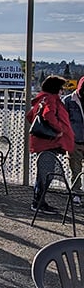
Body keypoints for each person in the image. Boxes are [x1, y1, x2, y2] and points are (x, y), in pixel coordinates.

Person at [27, 74, 75, 213]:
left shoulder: (41, 99)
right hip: (49, 142)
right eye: (61, 89)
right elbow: (48, 115)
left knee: (43, 174)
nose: (63, 92)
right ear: (56, 89)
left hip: (43, 142)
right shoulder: (51, 99)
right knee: (46, 174)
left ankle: (38, 202)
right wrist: (58, 130)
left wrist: (42, 129)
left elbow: (30, 116)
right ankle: (38, 203)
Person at [63, 76, 84, 205]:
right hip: (74, 141)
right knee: (75, 169)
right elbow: (63, 121)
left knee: (76, 168)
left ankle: (77, 193)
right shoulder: (68, 101)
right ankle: (76, 194)